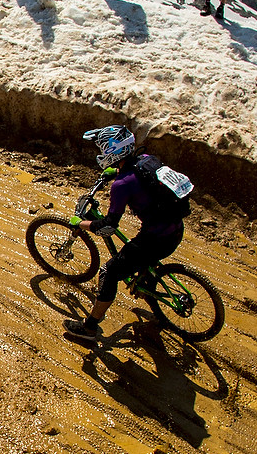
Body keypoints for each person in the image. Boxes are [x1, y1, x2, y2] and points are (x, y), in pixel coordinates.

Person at [63, 126, 190, 342]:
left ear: (112, 152)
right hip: (175, 230)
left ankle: (89, 328)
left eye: (102, 149)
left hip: (156, 240)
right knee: (138, 256)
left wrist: (81, 223)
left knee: (108, 272)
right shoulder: (147, 159)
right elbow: (140, 178)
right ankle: (145, 279)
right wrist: (116, 172)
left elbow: (109, 226)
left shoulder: (121, 185)